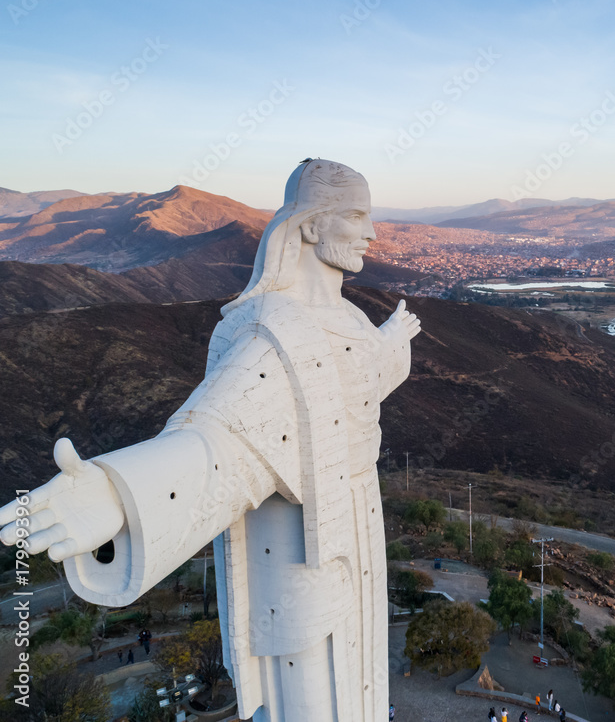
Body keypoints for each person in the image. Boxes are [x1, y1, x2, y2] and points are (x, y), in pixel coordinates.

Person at [0, 160, 421, 722]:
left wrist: (389, 343)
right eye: (357, 215)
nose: (372, 232)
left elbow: (354, 387)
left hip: (359, 539)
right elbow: (218, 441)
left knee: (363, 686)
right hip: (299, 560)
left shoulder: (346, 319)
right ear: (311, 226)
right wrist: (118, 492)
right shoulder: (274, 335)